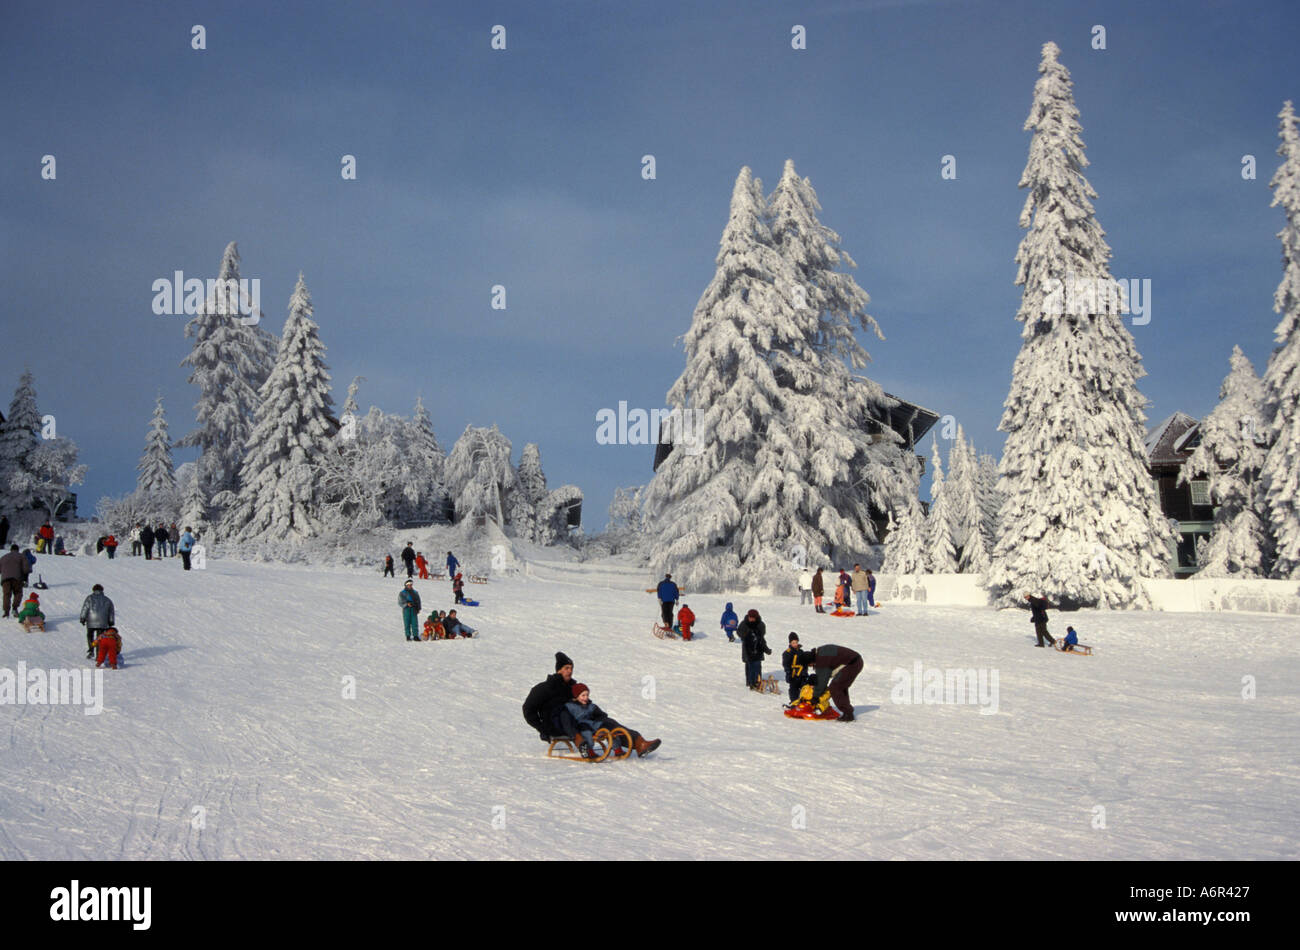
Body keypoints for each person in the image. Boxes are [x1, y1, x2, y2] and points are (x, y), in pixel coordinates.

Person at [565, 682, 662, 759]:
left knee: (612, 725)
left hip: (596, 725)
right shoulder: (570, 707)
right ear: (576, 696)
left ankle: (637, 742)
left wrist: (599, 721)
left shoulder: (591, 706)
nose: (586, 698)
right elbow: (569, 721)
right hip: (584, 727)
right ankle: (589, 750)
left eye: (587, 695)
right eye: (583, 695)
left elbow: (602, 714)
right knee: (587, 730)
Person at [522, 652, 580, 741]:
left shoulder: (573, 688)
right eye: (566, 668)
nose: (570, 671)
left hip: (575, 723)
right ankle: (584, 746)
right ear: (559, 670)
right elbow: (528, 708)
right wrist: (542, 728)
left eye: (571, 668)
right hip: (555, 727)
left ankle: (608, 730)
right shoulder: (545, 688)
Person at [808, 643, 863, 722]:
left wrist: (815, 697)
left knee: (835, 687)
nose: (811, 667)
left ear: (811, 661)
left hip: (852, 664)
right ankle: (847, 712)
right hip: (854, 661)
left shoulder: (821, 660)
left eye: (810, 665)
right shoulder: (820, 652)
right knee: (840, 686)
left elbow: (822, 681)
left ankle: (848, 714)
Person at [79, 583, 115, 660]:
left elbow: (85, 608)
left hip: (91, 621)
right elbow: (111, 611)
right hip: (103, 622)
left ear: (93, 590)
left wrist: (82, 618)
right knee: (100, 638)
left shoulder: (89, 598)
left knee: (90, 635)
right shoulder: (107, 600)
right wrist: (111, 621)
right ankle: (99, 655)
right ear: (102, 590)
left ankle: (91, 650)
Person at [738, 609, 771, 689]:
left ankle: (757, 681)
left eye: (753, 618)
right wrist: (745, 636)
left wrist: (766, 649)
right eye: (750, 617)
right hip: (748, 649)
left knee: (757, 666)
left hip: (758, 649)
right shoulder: (744, 623)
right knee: (749, 666)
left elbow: (762, 637)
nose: (751, 619)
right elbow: (739, 632)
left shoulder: (760, 624)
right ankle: (750, 682)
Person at [781, 633, 815, 703]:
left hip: (802, 674)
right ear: (790, 643)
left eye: (796, 642)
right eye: (793, 643)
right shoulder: (787, 653)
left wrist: (805, 672)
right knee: (793, 689)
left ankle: (805, 702)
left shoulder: (801, 651)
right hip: (793, 675)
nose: (795, 644)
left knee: (804, 689)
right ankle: (794, 702)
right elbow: (786, 664)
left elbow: (804, 663)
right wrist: (788, 673)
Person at [1, 544, 29, 618]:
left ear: (11, 549)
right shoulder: (22, 556)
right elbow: (26, 569)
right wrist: (25, 579)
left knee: (6, 595)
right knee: (18, 593)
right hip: (17, 578)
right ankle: (15, 608)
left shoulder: (3, 557)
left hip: (5, 580)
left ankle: (6, 612)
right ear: (18, 549)